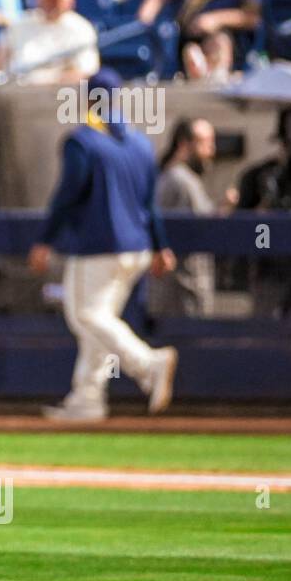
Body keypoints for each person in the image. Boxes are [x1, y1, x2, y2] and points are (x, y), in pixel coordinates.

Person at [28, 71, 179, 422]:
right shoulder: (141, 143)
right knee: (99, 322)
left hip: (98, 247)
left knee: (86, 316)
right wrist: (161, 246)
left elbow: (66, 197)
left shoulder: (82, 141)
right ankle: (87, 400)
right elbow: (150, 205)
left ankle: (148, 363)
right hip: (137, 249)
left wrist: (45, 240)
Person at [150, 117, 217, 318]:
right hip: (184, 287)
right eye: (205, 142)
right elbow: (205, 227)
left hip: (178, 286)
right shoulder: (180, 180)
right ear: (184, 143)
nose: (210, 150)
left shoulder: (172, 176)